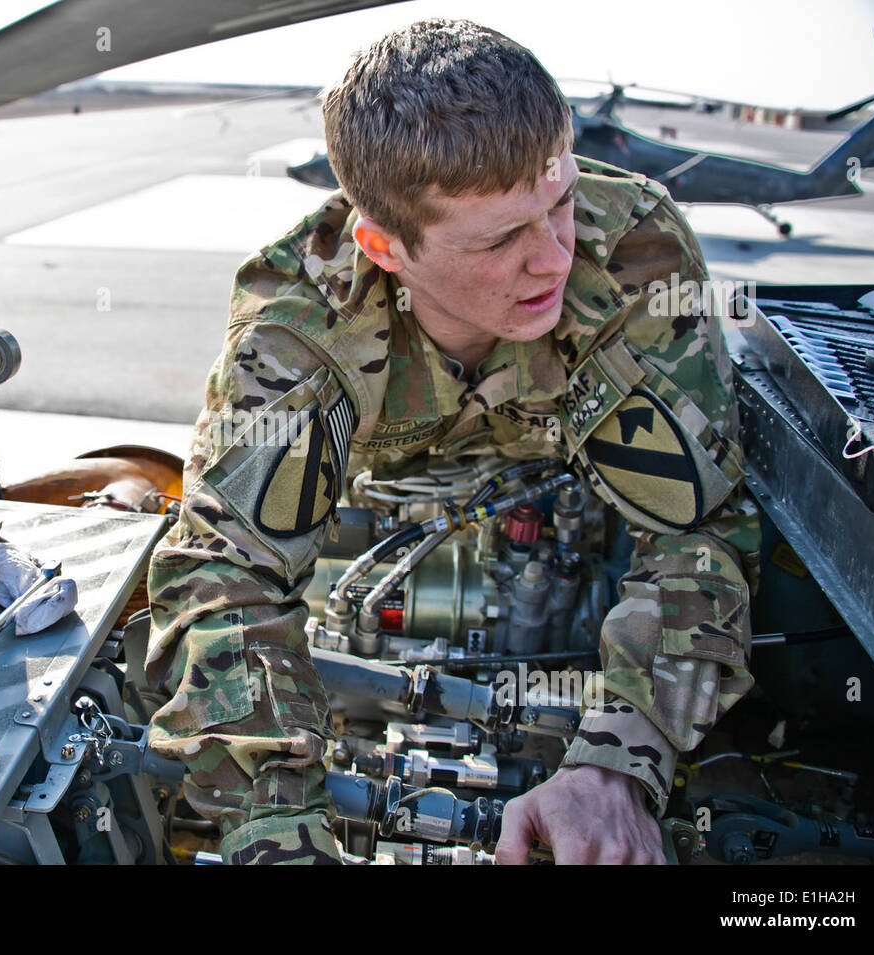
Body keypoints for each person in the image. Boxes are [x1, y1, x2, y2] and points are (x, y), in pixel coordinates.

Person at [144, 18, 759, 865]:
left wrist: (618, 762)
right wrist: (276, 824)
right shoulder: (300, 322)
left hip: (577, 504)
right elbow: (224, 572)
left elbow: (701, 528)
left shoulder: (631, 251)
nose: (552, 259)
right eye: (501, 239)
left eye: (561, 202)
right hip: (382, 513)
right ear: (384, 247)